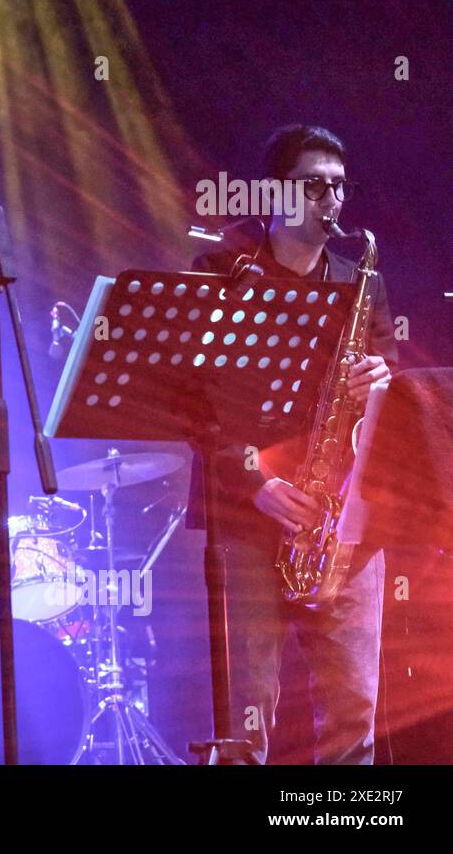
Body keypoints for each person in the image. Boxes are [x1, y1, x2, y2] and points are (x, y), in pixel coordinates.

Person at [189, 124, 396, 763]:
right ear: (274, 192)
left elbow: (386, 394)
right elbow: (190, 403)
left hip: (339, 519)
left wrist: (380, 381)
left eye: (339, 187)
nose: (332, 200)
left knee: (353, 713)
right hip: (252, 517)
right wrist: (255, 481)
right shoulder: (222, 273)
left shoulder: (361, 279)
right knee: (246, 718)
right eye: (315, 186)